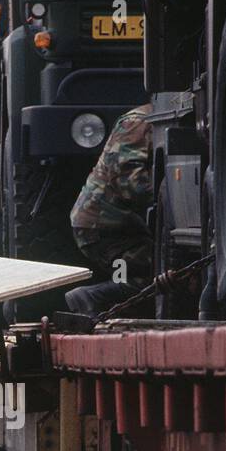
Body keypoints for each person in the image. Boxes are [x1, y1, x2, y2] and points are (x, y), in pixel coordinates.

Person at [66, 102, 155, 315]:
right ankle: (91, 297)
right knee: (166, 271)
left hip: (112, 223)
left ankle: (106, 295)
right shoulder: (137, 122)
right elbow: (129, 182)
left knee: (136, 271)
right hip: (106, 227)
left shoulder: (144, 118)